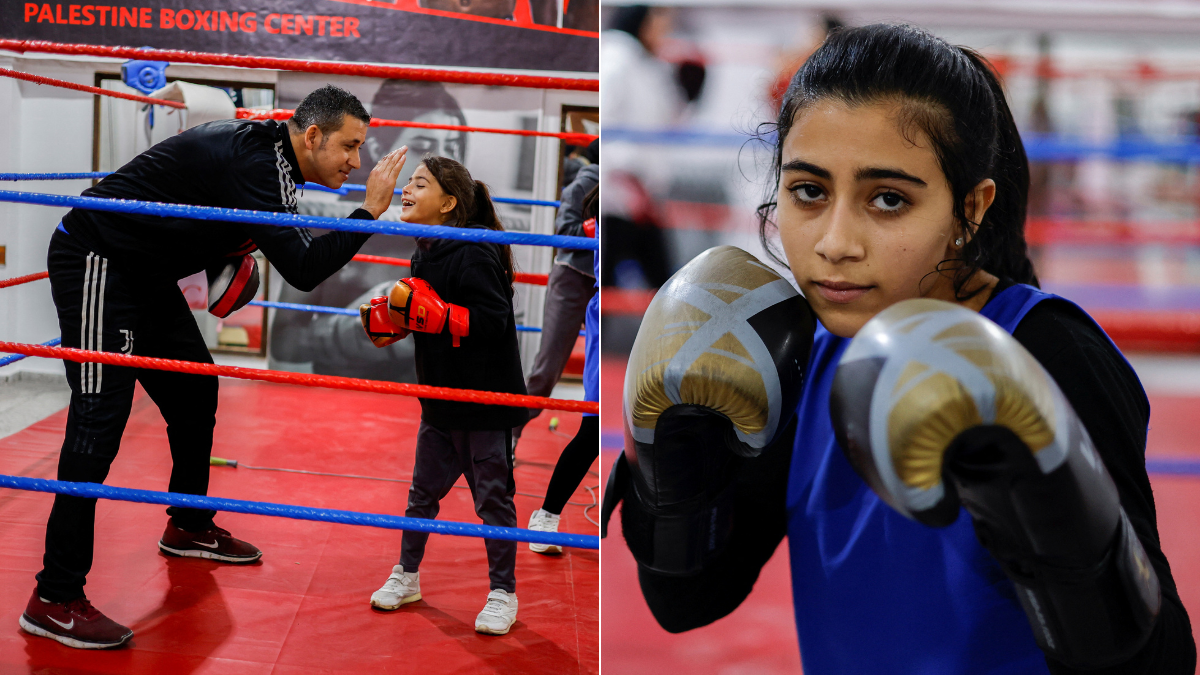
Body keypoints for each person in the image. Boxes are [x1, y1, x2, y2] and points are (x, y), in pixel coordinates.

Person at [604, 24, 1196, 673]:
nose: (835, 241)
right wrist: (674, 459)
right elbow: (686, 598)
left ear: (969, 208)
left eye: (888, 200)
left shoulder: (1046, 349)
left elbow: (1157, 663)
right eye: (809, 191)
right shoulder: (797, 355)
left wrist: (1058, 523)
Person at [20, 85, 408, 650]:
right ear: (314, 135)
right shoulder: (257, 162)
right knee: (98, 422)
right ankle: (53, 596)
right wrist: (370, 210)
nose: (356, 161)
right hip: (100, 260)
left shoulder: (275, 162)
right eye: (350, 147)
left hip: (146, 274)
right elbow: (301, 268)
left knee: (196, 391)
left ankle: (189, 523)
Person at [358, 155, 528, 636]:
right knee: (421, 496)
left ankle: (503, 592)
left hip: (486, 403)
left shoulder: (474, 250)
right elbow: (428, 318)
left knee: (493, 501)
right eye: (408, 183)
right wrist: (400, 321)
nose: (407, 190)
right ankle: (407, 576)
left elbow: (493, 323)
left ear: (448, 203)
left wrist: (441, 316)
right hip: (439, 398)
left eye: (419, 184)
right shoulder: (423, 251)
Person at [269, 79, 467, 382]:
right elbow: (284, 343)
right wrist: (350, 330)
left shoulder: (461, 236)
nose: (440, 164)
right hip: (340, 401)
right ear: (378, 149)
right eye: (422, 147)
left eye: (451, 147)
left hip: (421, 404)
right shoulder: (332, 224)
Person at [526, 186, 599, 553]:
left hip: (640, 320)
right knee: (594, 428)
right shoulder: (591, 193)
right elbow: (567, 231)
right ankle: (546, 515)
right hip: (591, 300)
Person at [516, 140, 598, 441]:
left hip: (600, 286)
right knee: (546, 370)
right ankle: (509, 434)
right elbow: (565, 233)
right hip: (573, 279)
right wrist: (595, 228)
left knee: (604, 374)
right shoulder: (585, 184)